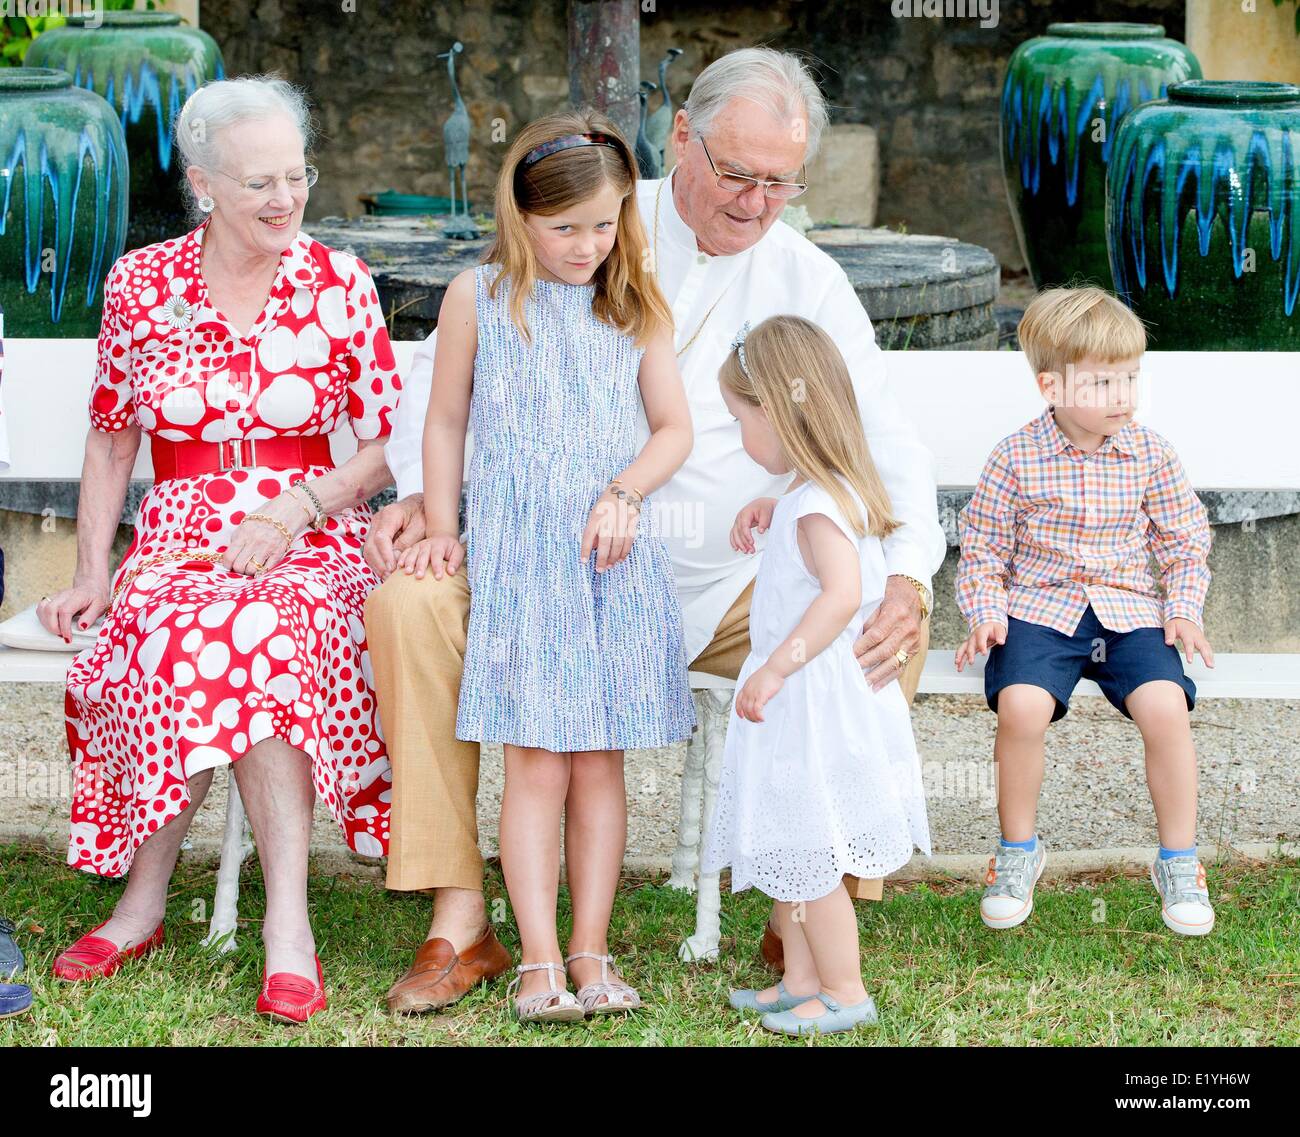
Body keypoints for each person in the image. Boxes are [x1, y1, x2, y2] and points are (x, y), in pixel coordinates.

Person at [367, 47, 946, 1013]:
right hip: (533, 564)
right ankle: (460, 915)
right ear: (681, 137)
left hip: (728, 584)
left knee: (880, 623)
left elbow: (883, 446)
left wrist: (911, 575)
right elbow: (441, 396)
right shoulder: (585, 211)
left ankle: (808, 892)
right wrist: (425, 500)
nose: (759, 202)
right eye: (736, 173)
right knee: (410, 605)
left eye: (781, 182)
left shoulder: (808, 280)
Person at [37, 76, 402, 1021]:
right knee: (180, 632)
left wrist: (301, 504)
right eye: (259, 184)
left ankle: (287, 923)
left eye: (297, 176)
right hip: (180, 532)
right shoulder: (142, 284)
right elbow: (115, 436)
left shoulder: (339, 282)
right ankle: (146, 899)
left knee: (267, 629)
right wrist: (90, 573)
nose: (286, 201)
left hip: (311, 529)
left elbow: (379, 447)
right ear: (202, 183)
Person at [394, 110, 695, 1022]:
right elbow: (445, 421)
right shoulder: (477, 296)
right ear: (520, 214)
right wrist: (444, 524)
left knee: (599, 761)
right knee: (536, 763)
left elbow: (675, 428)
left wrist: (626, 490)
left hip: (608, 557)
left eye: (605, 225)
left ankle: (591, 951)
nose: (586, 244)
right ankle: (534, 962)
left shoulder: (635, 301)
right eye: (565, 228)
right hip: (525, 560)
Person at [955, 286, 1215, 936]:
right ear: (1051, 385)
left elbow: (1184, 538)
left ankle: (1179, 860)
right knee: (1022, 706)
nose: (1123, 395)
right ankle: (1018, 850)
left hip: (1129, 611)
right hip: (1041, 611)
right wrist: (986, 610)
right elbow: (984, 545)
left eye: (1130, 377)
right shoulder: (1016, 456)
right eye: (1103, 382)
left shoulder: (1149, 453)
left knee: (1165, 705)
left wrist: (1183, 609)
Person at [700, 316, 930, 1036]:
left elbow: (836, 596)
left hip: (813, 700)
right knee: (792, 846)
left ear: (776, 412)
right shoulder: (816, 490)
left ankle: (844, 988)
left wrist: (772, 667)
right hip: (806, 700)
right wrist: (777, 505)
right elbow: (819, 533)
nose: (740, 437)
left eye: (741, 419)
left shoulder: (818, 506)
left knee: (815, 854)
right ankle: (798, 977)